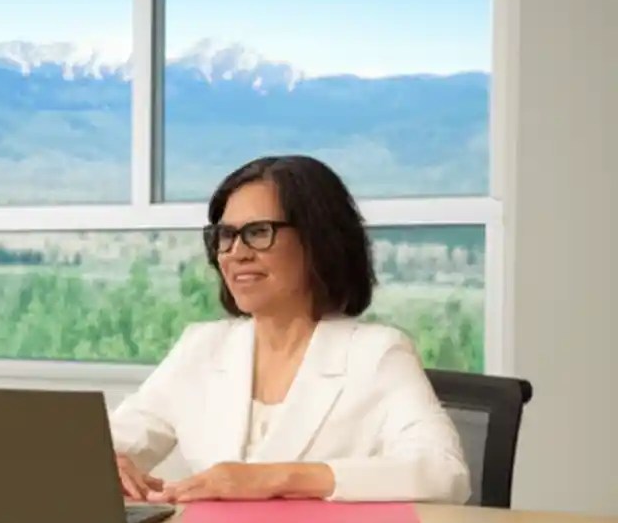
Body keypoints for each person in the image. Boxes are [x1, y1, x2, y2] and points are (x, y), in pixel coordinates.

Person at [111, 155, 470, 504]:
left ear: (319, 241)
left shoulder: (376, 353)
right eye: (225, 235)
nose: (236, 252)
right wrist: (108, 460)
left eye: (258, 232)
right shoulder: (202, 346)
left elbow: (444, 473)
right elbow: (111, 441)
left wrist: (278, 477)